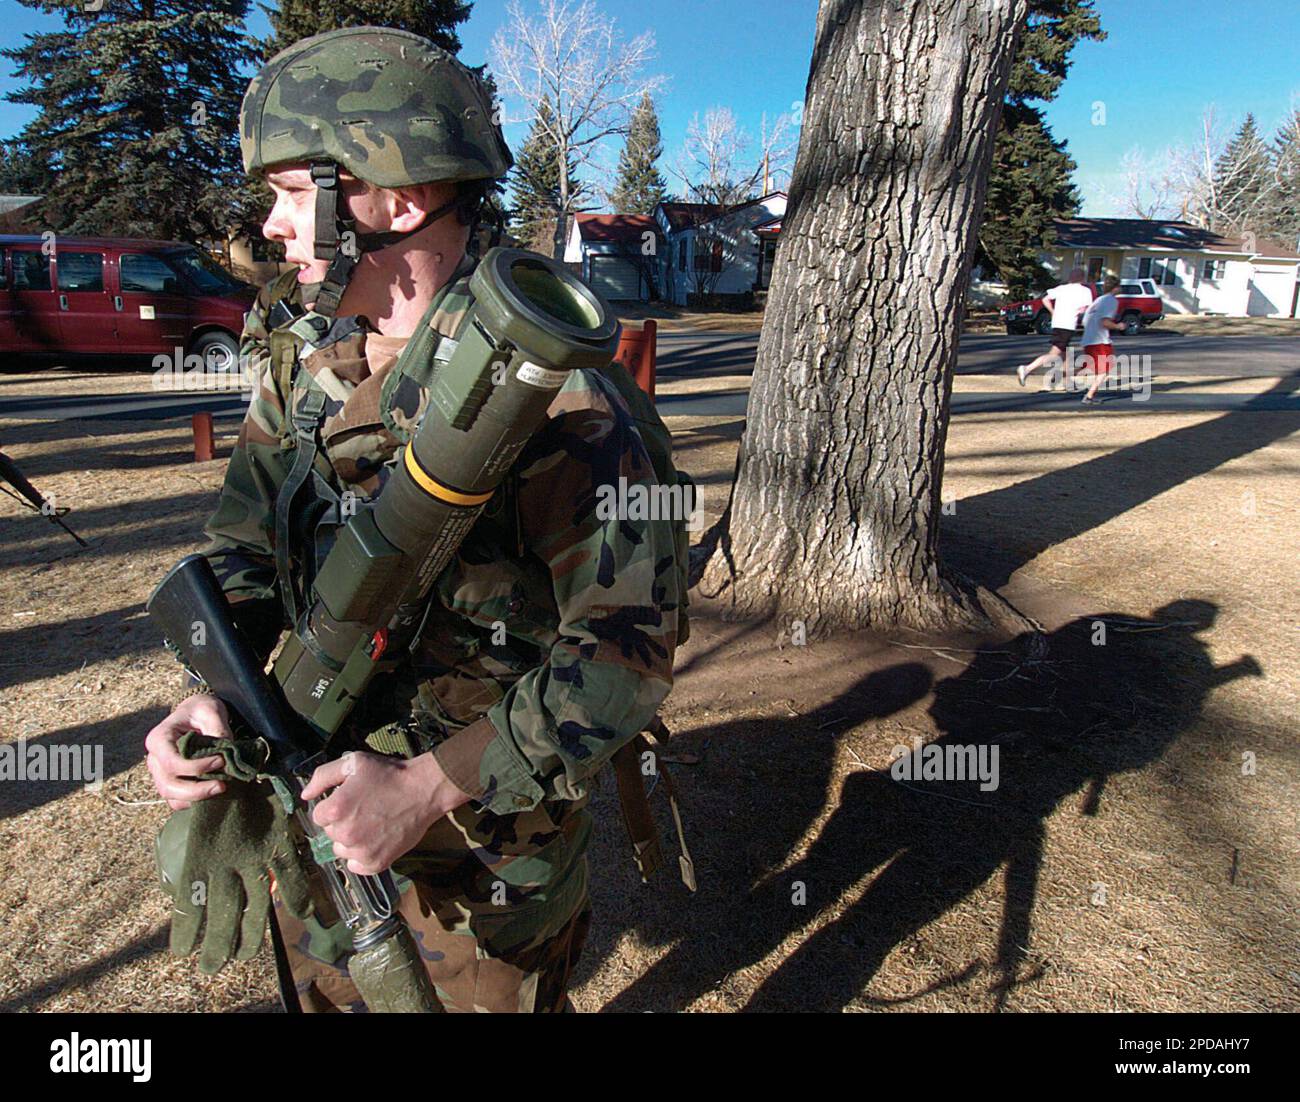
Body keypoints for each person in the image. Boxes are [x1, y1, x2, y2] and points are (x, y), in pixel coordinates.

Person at [143, 26, 682, 1013]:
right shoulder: (302, 363)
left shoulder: (558, 397)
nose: (268, 225)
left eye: (286, 192)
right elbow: (248, 551)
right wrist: (214, 692)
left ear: (393, 198)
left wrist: (426, 784)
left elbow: (622, 664)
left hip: (472, 868)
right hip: (314, 826)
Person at [1016, 267, 1094, 388]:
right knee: (1054, 354)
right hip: (1067, 325)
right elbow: (1086, 309)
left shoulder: (1061, 289)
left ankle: (1067, 382)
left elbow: (1045, 299)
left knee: (1065, 354)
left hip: (1057, 323)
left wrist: (1052, 311)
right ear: (1083, 278)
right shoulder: (1085, 291)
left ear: (1070, 277)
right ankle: (1026, 369)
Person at [1078, 275, 1124, 405]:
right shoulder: (1111, 301)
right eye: (1119, 286)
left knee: (1091, 367)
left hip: (1088, 338)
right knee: (1104, 369)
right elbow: (1105, 321)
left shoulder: (1097, 300)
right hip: (1100, 340)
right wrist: (1118, 326)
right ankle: (1089, 396)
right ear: (1115, 288)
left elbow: (1085, 321)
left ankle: (1065, 375)